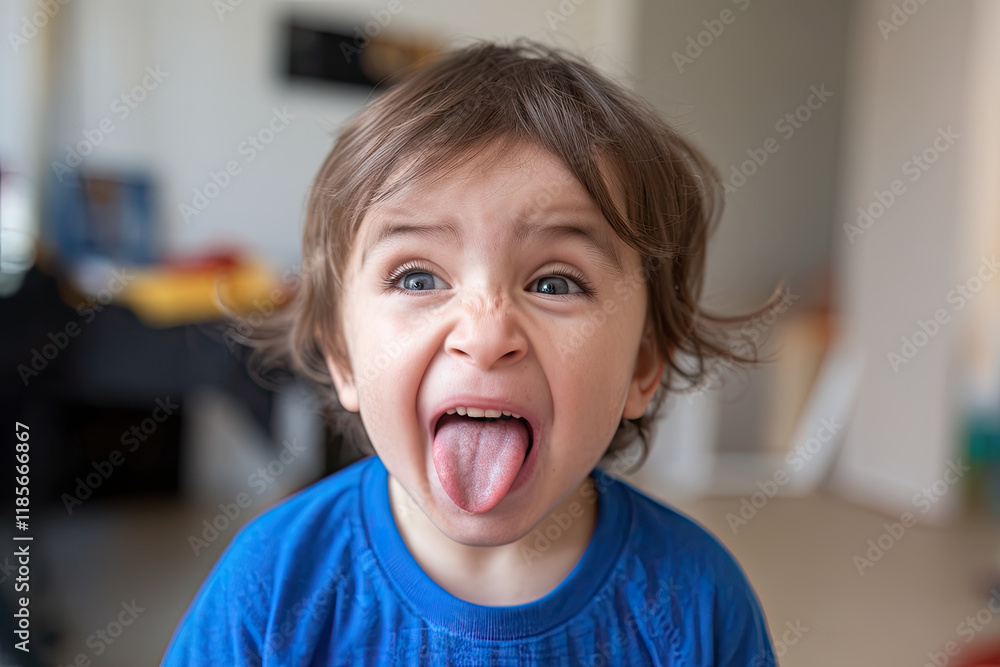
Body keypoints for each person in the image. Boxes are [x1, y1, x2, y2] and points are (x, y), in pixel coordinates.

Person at [162, 38, 777, 665]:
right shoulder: (270, 586)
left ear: (643, 366)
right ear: (342, 355)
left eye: (555, 284)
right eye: (417, 278)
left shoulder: (696, 600)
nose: (484, 337)